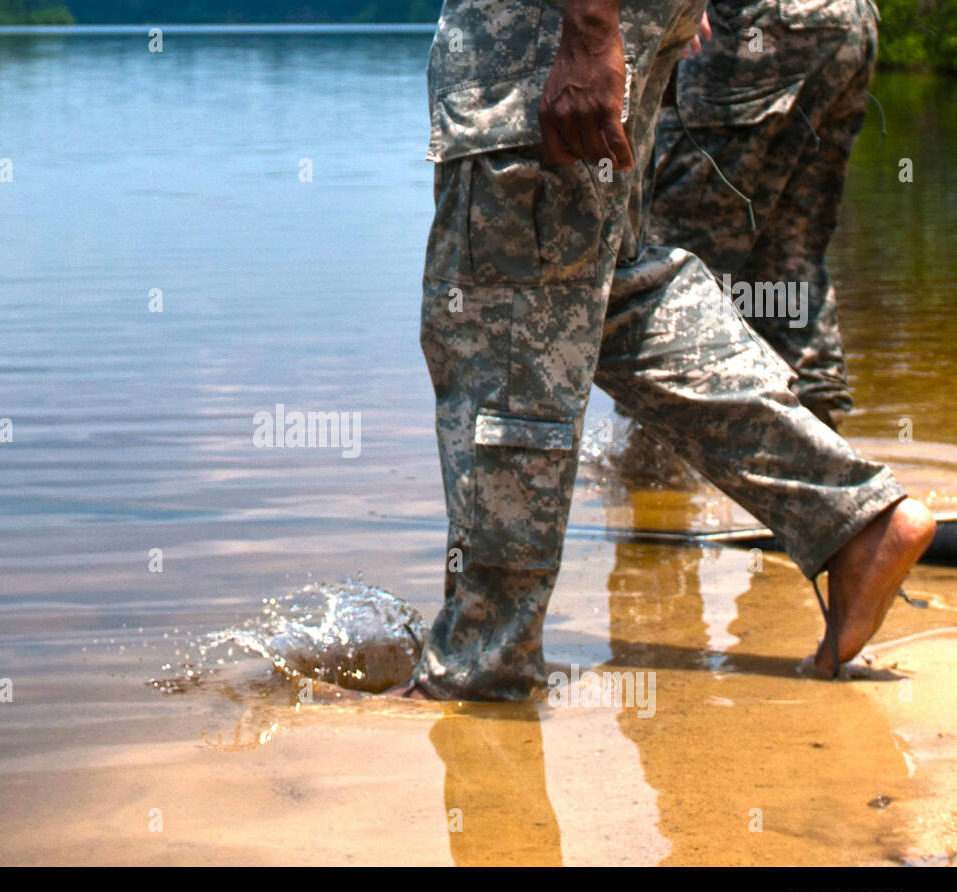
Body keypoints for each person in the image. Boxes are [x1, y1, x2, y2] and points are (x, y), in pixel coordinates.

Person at [387, 0, 934, 700]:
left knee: (507, 311)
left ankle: (482, 663)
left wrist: (590, 24)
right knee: (609, 284)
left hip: (541, 24)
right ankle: (849, 519)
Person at [650, 0, 880, 430]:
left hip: (755, 26)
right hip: (848, 19)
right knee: (787, 253)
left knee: (672, 265)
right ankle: (820, 461)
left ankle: (656, 473)